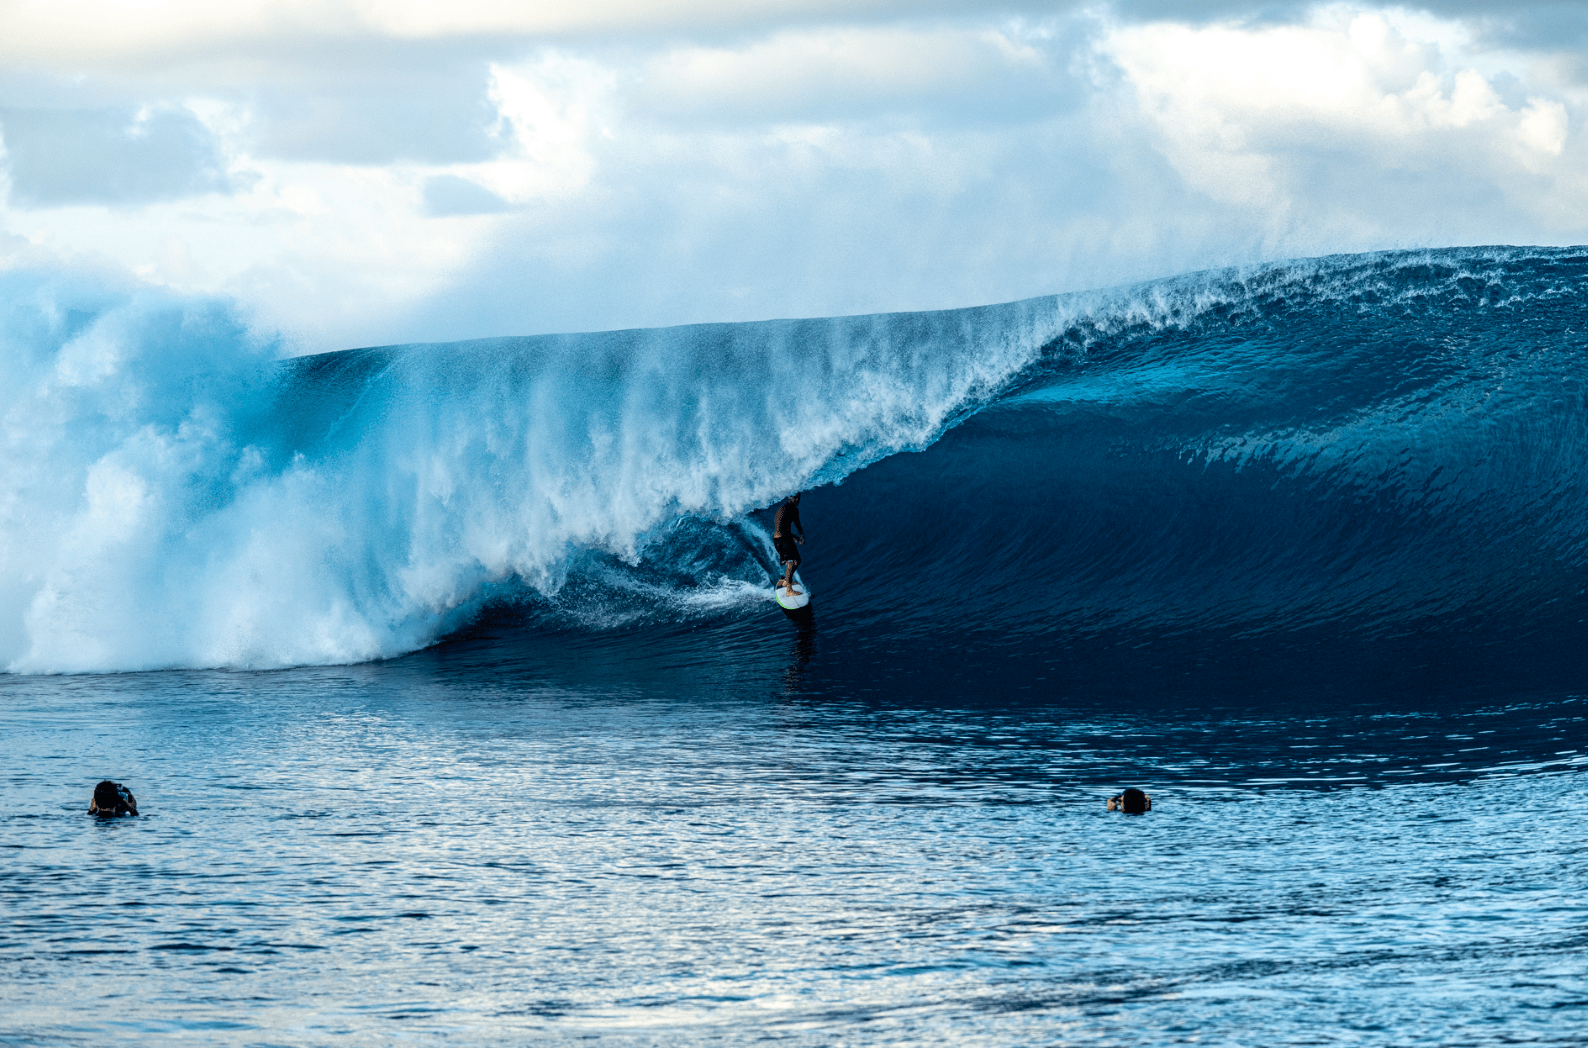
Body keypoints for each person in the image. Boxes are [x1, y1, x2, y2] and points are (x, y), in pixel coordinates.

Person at [773, 493, 805, 594]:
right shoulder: (783, 510)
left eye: (799, 497)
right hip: (781, 540)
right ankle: (789, 590)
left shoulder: (794, 509)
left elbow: (797, 523)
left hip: (787, 538)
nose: (797, 500)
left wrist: (802, 535)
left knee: (797, 560)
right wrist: (794, 537)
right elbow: (781, 530)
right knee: (790, 563)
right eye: (795, 498)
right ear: (789, 498)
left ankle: (787, 581)